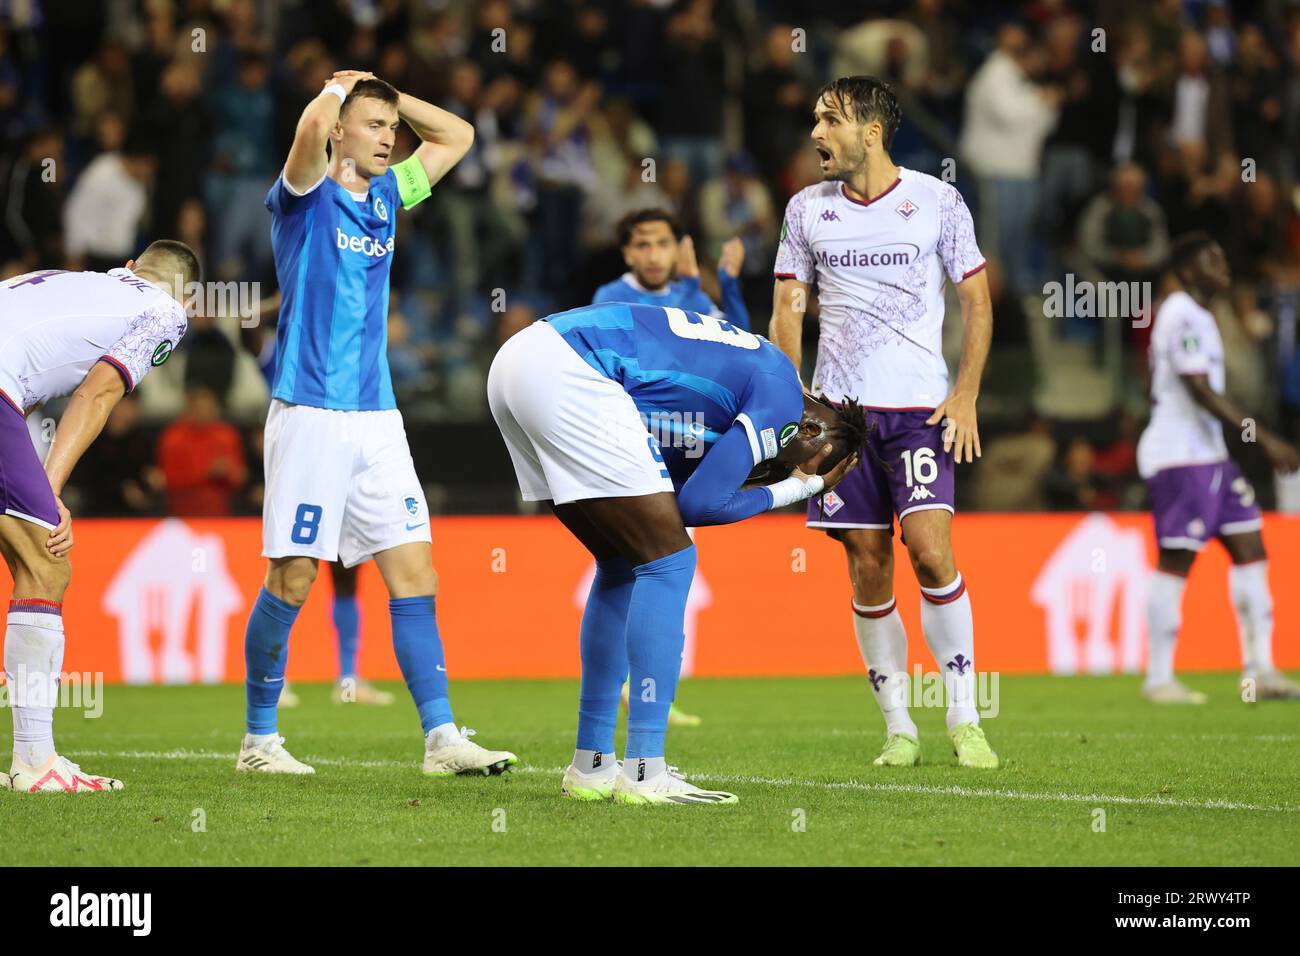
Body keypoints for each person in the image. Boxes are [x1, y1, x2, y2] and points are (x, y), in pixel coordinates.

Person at [237, 70, 515, 775]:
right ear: (340, 131)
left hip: (378, 418)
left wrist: (386, 95)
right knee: (294, 578)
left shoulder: (390, 197)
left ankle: (442, 738)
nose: (389, 137)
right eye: (374, 126)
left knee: (416, 572)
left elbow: (459, 135)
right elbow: (305, 134)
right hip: (309, 414)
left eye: (392, 129)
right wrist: (337, 89)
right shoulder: (302, 199)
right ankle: (259, 741)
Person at [488, 301, 863, 804]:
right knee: (670, 560)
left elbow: (676, 496)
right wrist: (802, 487)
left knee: (623, 563)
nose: (781, 465)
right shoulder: (783, 406)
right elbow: (702, 504)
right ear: (813, 432)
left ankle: (592, 763)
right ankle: (645, 768)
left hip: (520, 365)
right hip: (568, 371)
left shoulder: (745, 383)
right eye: (799, 461)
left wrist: (786, 481)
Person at [769, 75, 999, 769]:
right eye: (814, 119)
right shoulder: (807, 210)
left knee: (930, 551)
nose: (816, 134)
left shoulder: (938, 201)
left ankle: (964, 716)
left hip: (921, 411)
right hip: (841, 419)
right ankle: (900, 724)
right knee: (868, 567)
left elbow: (977, 303)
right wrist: (796, 406)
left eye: (829, 120)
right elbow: (788, 311)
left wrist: (966, 395)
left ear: (870, 130)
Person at [0, 241, 196, 792]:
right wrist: (51, 489)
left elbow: (27, 390)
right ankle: (36, 762)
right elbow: (97, 395)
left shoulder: (61, 280)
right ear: (185, 294)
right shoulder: (165, 311)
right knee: (46, 565)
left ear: (131, 267)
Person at [1137, 232, 1300, 703]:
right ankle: (1159, 678)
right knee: (1177, 560)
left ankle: (1261, 671)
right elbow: (1199, 388)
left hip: (1210, 456)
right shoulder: (1180, 312)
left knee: (1251, 548)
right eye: (1213, 259)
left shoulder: (1203, 315)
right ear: (1188, 269)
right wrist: (1265, 437)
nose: (1224, 267)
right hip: (1179, 456)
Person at [593, 209, 750, 331]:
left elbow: (742, 347)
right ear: (627, 254)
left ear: (677, 250)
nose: (653, 257)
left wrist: (729, 287)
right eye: (642, 245)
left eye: (663, 244)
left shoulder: (692, 295)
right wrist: (689, 296)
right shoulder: (610, 298)